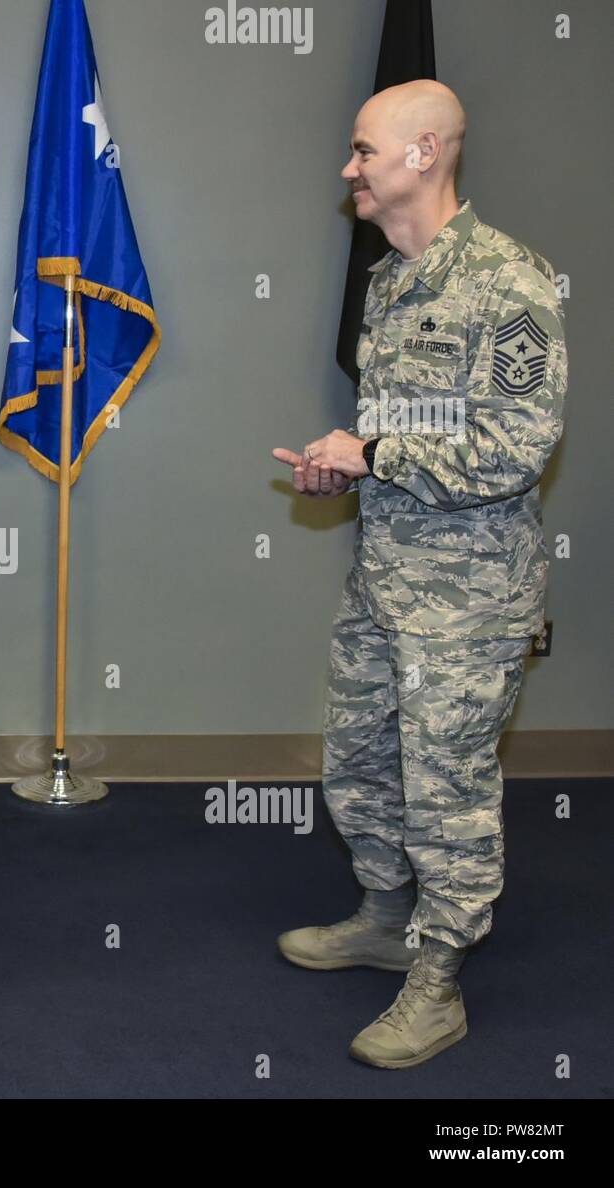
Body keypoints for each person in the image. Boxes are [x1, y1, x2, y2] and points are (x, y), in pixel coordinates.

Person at [271, 81, 566, 1068]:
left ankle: (436, 984)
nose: (348, 168)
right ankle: (386, 918)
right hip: (383, 583)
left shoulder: (509, 282)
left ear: (424, 153)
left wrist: (375, 457)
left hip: (469, 603)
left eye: (363, 151)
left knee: (446, 795)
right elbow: (415, 433)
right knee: (358, 771)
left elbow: (515, 446)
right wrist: (344, 468)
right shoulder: (390, 281)